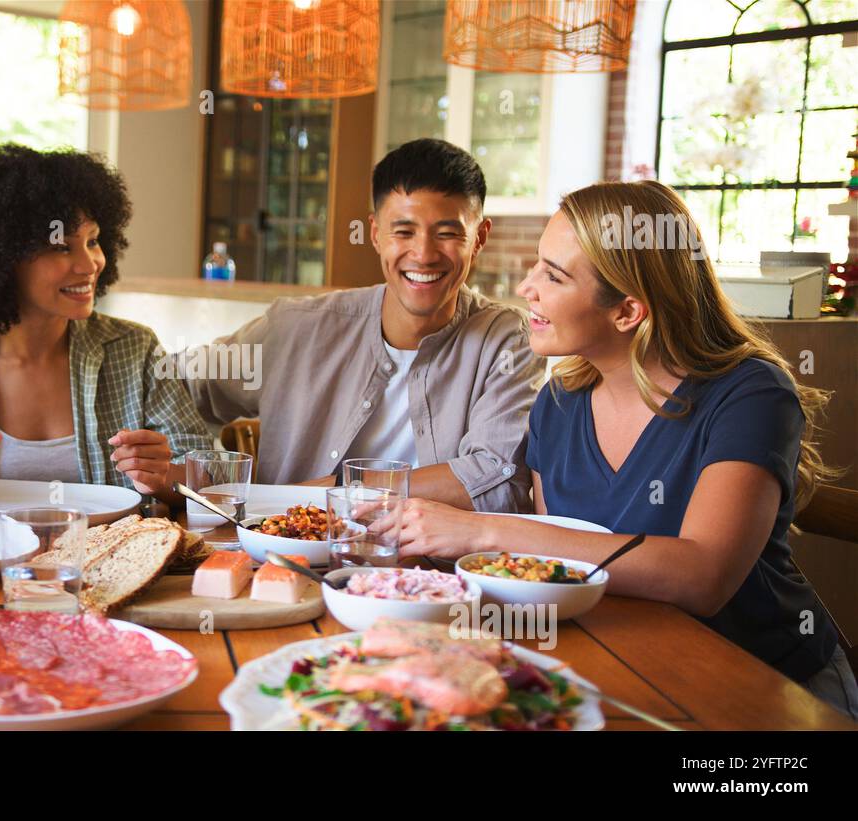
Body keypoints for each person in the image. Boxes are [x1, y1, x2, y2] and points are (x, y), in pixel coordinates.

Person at [391, 180, 857, 720]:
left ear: (627, 311)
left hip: (768, 683)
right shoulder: (558, 404)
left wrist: (478, 529)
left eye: (553, 275)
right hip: (625, 664)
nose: (526, 288)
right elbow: (558, 568)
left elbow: (702, 576)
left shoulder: (751, 394)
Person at [182, 139, 543, 512]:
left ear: (479, 237)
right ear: (375, 234)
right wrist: (192, 478)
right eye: (403, 232)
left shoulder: (505, 340)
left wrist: (343, 488)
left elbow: (497, 483)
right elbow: (180, 383)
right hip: (284, 556)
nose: (423, 254)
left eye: (447, 233)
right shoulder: (296, 327)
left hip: (433, 567)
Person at [0, 145, 211, 503]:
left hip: (113, 557)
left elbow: (209, 480)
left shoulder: (135, 350)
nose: (89, 263)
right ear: (0, 258)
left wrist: (162, 476)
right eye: (61, 247)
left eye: (92, 241)